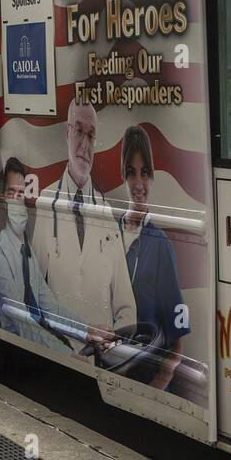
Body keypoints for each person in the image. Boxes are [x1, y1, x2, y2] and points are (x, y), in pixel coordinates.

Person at [31, 99, 138, 361]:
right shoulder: (47, 204)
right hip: (59, 357)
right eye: (79, 131)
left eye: (91, 135)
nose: (85, 145)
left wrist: (111, 343)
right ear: (67, 133)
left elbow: (127, 309)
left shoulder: (107, 216)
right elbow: (35, 294)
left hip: (100, 361)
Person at [0, 156, 116, 353]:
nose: (17, 199)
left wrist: (87, 330)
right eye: (11, 193)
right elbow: (20, 320)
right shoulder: (0, 249)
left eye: (21, 193)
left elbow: (49, 307)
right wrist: (66, 354)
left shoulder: (27, 250)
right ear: (2, 197)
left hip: (42, 337)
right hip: (19, 349)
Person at [118, 125, 188, 392]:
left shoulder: (159, 244)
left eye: (145, 173)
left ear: (153, 178)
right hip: (110, 368)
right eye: (131, 173)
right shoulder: (108, 234)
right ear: (122, 176)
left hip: (143, 378)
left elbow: (178, 344)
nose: (138, 183)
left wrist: (159, 384)